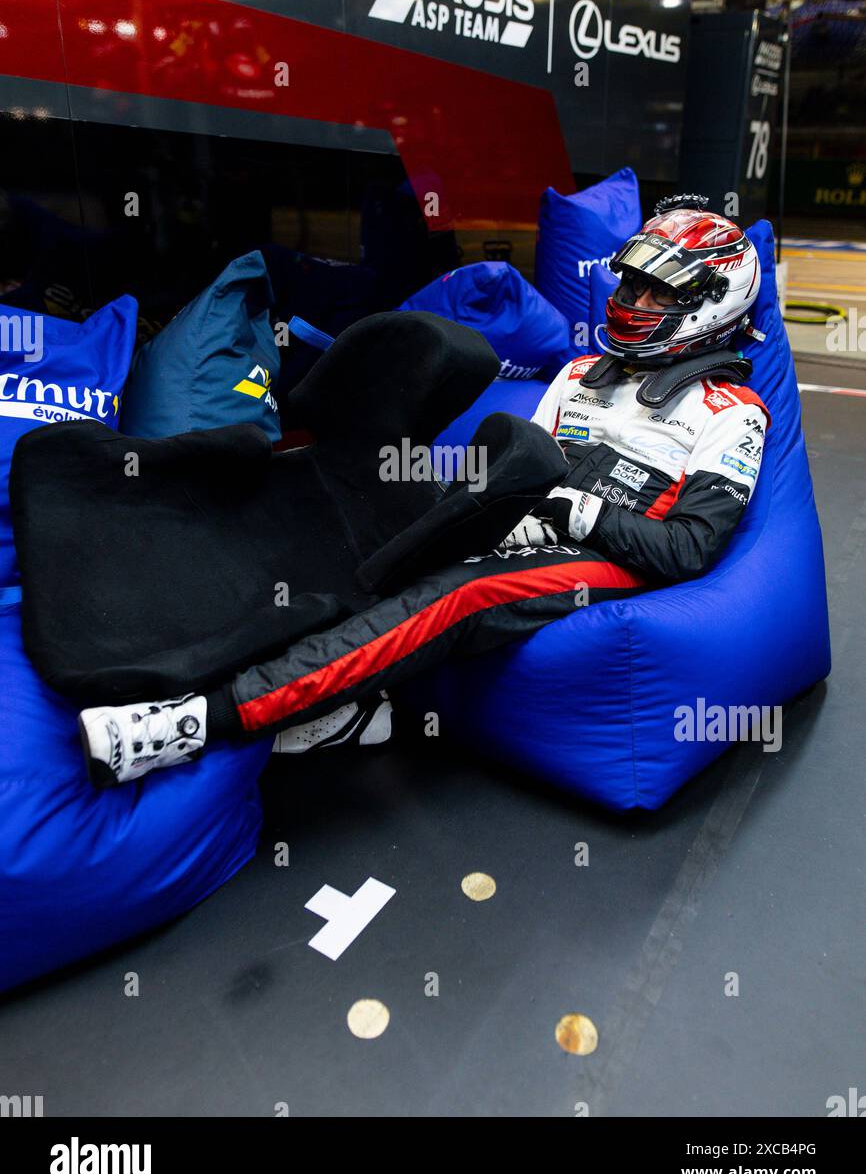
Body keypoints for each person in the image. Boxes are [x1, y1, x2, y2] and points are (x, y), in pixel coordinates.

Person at [79, 197, 769, 786]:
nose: (635, 303)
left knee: (453, 595)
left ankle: (202, 720)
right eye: (632, 285)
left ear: (713, 305)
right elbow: (523, 463)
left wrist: (568, 510)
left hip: (606, 562)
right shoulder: (581, 371)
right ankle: (328, 702)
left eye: (660, 293)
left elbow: (688, 549)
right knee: (379, 535)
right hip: (526, 524)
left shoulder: (731, 413)